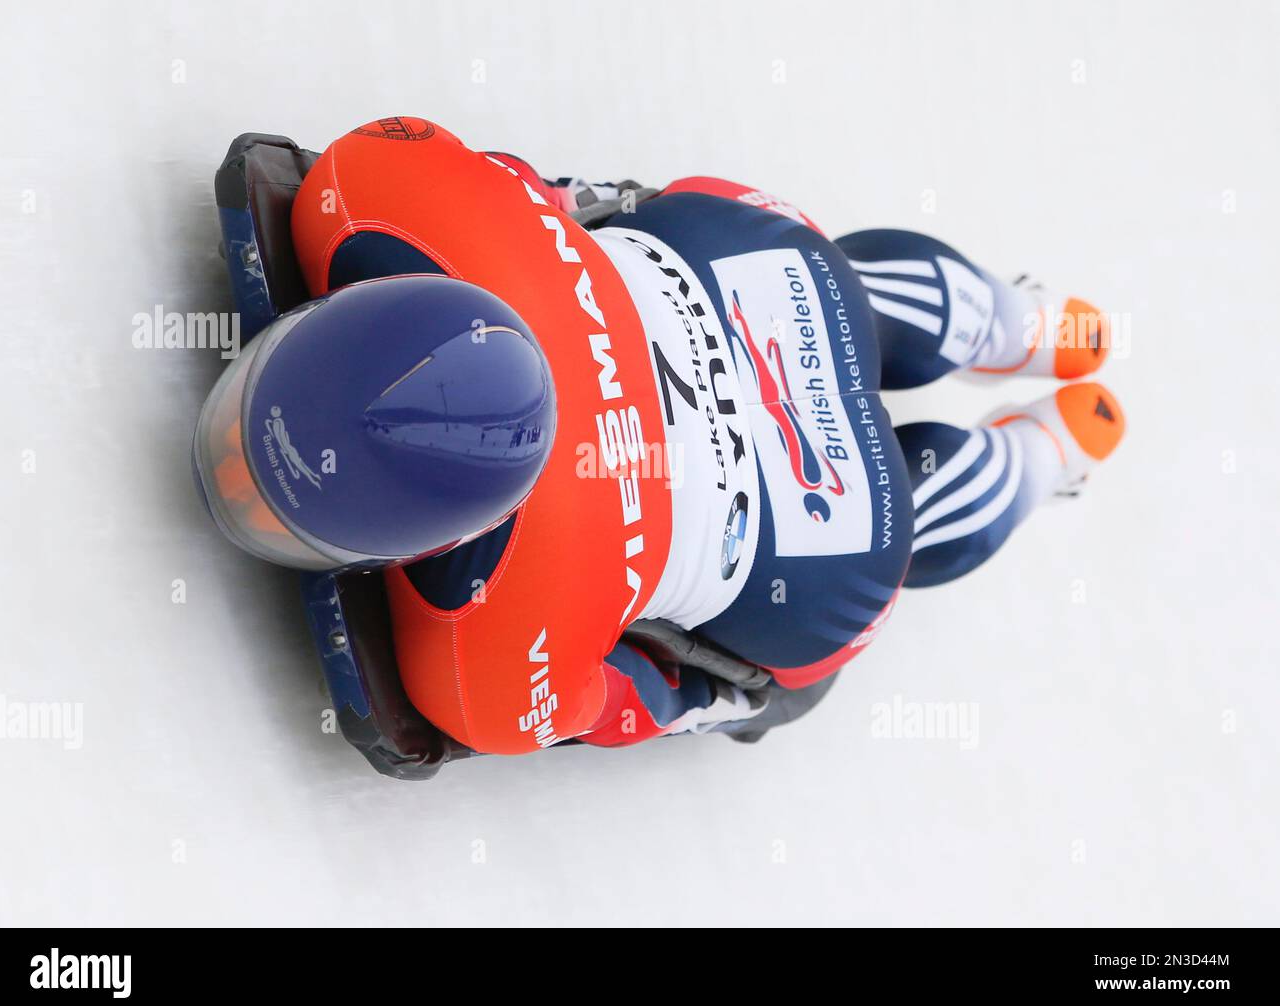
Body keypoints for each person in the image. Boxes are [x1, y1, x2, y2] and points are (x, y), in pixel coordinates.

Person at [198, 116, 1125, 756]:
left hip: (809, 549)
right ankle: (1017, 328)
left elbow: (637, 699)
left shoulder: (494, 662)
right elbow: (531, 193)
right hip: (752, 272)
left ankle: (1034, 456)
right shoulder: (374, 182)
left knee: (876, 552)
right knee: (828, 280)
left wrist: (735, 691)